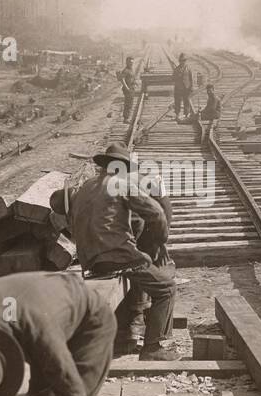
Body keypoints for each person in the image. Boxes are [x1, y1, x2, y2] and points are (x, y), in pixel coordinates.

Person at [63, 141, 179, 361]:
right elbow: (156, 214)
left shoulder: (85, 187)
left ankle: (124, 335)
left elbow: (72, 224)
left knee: (137, 265)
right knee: (166, 288)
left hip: (90, 262)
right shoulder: (121, 185)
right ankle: (154, 347)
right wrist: (158, 242)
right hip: (118, 258)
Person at [117, 57, 142, 122]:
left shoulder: (131, 69)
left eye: (132, 62)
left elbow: (132, 78)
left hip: (132, 88)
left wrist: (136, 83)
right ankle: (126, 118)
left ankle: (127, 117)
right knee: (128, 103)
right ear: (127, 62)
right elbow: (122, 80)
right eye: (130, 62)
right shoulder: (126, 70)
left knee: (130, 103)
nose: (131, 63)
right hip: (128, 89)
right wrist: (127, 88)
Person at [172, 52, 195, 120]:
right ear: (179, 61)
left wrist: (191, 87)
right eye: (181, 60)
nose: (182, 62)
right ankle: (177, 114)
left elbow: (191, 78)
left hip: (186, 88)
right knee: (177, 102)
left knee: (186, 101)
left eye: (184, 60)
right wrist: (177, 79)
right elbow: (173, 78)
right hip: (178, 88)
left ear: (185, 61)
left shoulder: (189, 69)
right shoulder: (176, 69)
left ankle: (186, 114)